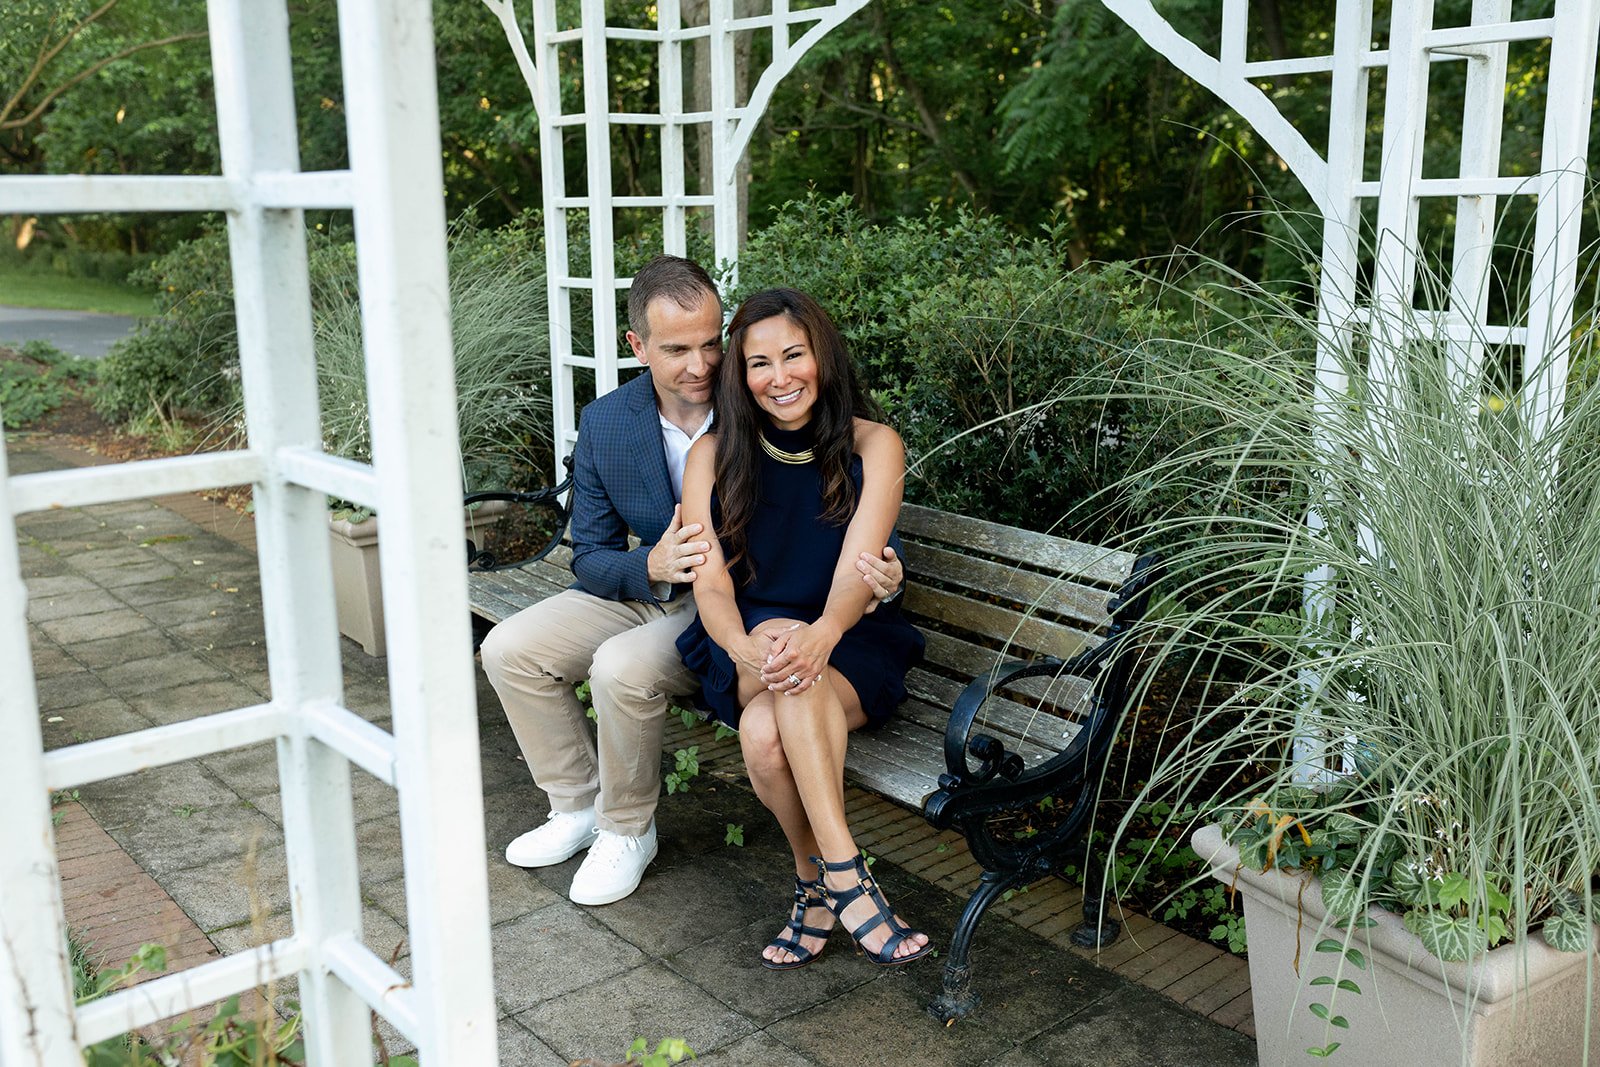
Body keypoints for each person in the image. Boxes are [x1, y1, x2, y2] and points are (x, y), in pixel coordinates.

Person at [479, 256, 904, 907]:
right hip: (654, 591)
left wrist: (888, 573)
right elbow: (588, 555)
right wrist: (647, 564)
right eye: (678, 349)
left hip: (734, 605)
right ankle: (577, 807)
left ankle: (627, 829)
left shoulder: (761, 407)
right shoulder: (609, 423)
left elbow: (837, 509)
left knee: (621, 667)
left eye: (713, 342)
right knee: (508, 648)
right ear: (638, 347)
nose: (702, 364)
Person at [674, 287, 932, 968]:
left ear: (822, 355)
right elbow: (711, 580)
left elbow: (859, 565)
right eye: (760, 362)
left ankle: (819, 884)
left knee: (764, 732)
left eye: (794, 355)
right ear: (741, 372)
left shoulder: (875, 445)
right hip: (748, 639)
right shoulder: (713, 455)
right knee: (781, 668)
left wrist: (820, 634)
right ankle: (847, 875)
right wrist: (738, 645)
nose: (779, 376)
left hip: (850, 638)